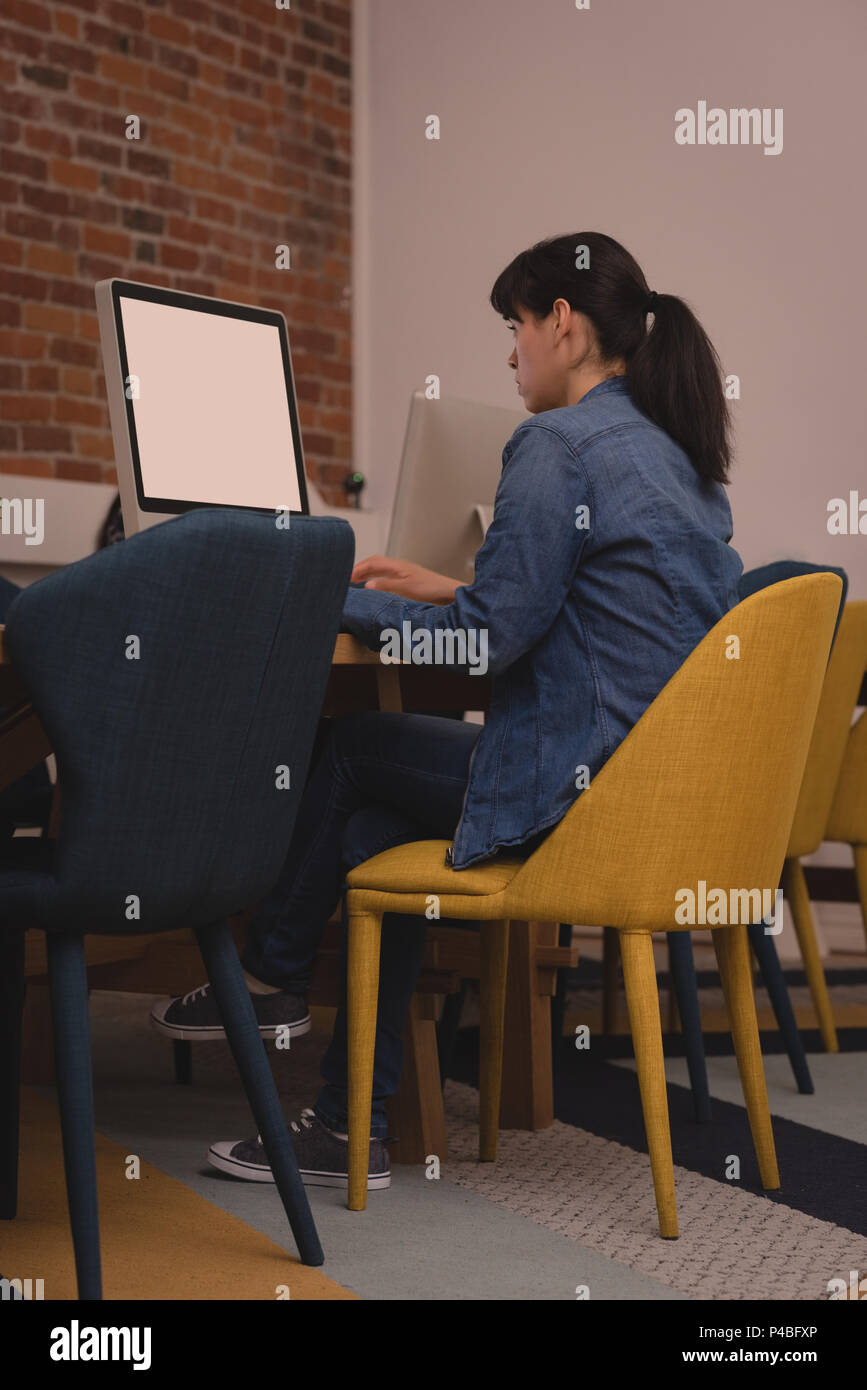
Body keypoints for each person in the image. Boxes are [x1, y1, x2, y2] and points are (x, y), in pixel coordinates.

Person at [152, 231, 744, 1191]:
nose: (509, 354)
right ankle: (347, 1128)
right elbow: (569, 611)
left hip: (574, 791)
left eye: (515, 326)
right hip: (648, 799)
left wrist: (333, 596)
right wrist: (443, 591)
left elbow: (486, 644)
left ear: (561, 322)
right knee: (378, 832)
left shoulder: (558, 444)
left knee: (349, 750)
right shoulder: (682, 456)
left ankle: (268, 981)